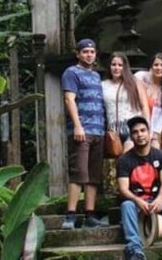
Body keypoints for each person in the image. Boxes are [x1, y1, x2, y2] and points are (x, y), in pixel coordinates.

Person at [117, 116, 162, 260]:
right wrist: (138, 201)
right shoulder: (124, 160)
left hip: (156, 200)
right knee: (126, 205)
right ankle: (135, 249)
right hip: (136, 203)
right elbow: (123, 189)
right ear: (131, 136)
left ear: (149, 133)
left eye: (143, 130)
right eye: (135, 132)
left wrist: (160, 198)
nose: (140, 135)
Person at [62, 38, 109, 230]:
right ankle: (70, 215)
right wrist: (77, 126)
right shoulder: (71, 72)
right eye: (85, 52)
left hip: (98, 131)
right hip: (82, 131)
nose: (89, 55)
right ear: (78, 54)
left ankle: (90, 214)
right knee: (79, 173)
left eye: (92, 52)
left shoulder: (96, 76)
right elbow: (69, 99)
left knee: (94, 176)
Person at [103, 52, 150, 153]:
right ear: (109, 66)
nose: (117, 68)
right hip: (113, 131)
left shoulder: (134, 82)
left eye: (120, 65)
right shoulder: (103, 85)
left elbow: (144, 105)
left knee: (128, 155)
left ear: (125, 67)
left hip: (132, 128)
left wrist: (147, 127)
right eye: (113, 64)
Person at [134, 53, 162, 149]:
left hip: (154, 125)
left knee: (155, 147)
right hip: (137, 122)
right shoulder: (140, 77)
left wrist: (155, 134)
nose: (159, 68)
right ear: (151, 67)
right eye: (156, 65)